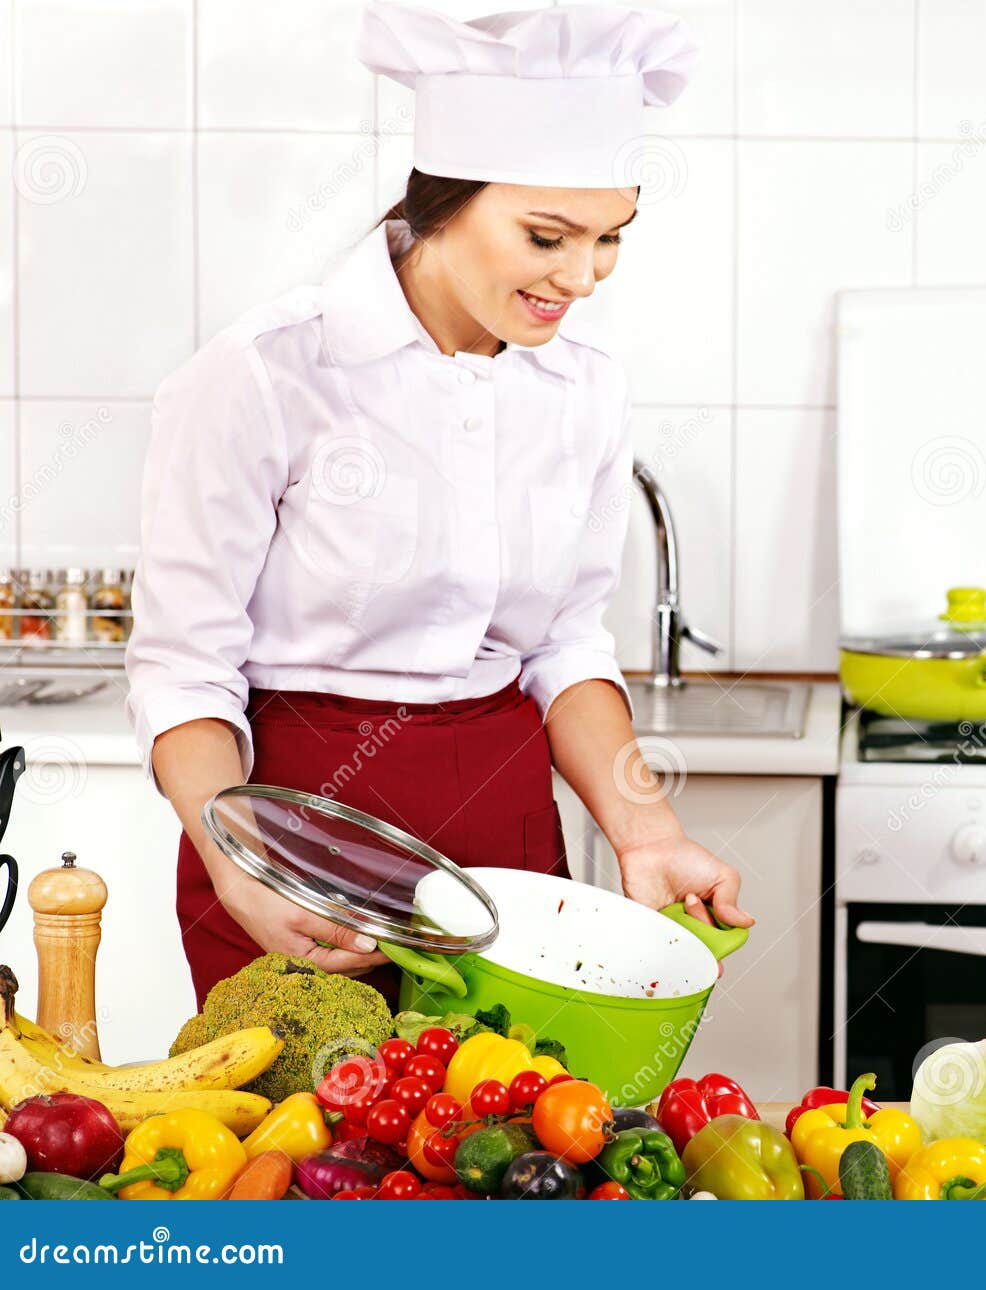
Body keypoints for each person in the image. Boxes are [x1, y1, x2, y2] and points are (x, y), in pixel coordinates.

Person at [126, 3, 752, 1004]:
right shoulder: (265, 375)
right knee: (293, 1150)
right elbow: (184, 671)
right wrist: (235, 861)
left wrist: (648, 829)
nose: (582, 277)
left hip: (503, 843)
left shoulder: (586, 388)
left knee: (501, 1145)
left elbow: (564, 647)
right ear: (443, 204)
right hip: (293, 842)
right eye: (547, 236)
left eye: (610, 239)